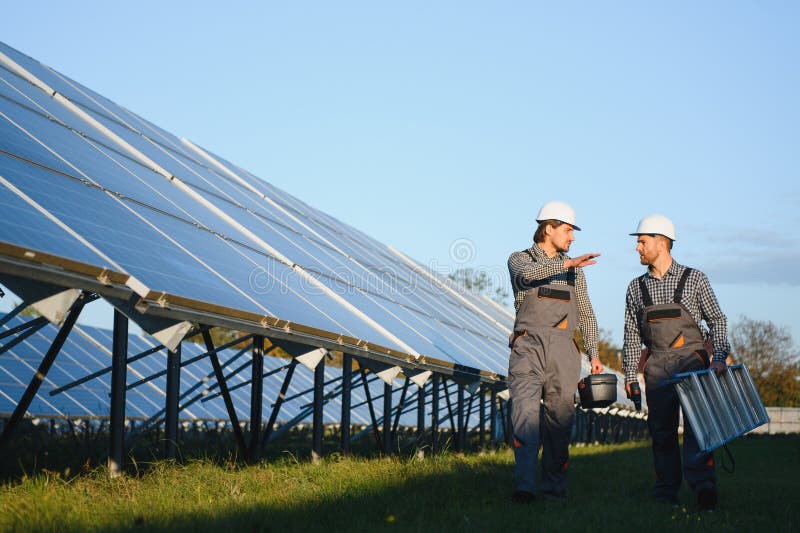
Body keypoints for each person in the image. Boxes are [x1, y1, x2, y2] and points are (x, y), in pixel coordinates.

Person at [623, 214, 730, 511]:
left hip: (693, 363)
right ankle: (666, 491)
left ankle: (704, 487)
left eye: (642, 242)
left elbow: (717, 320)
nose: (638, 248)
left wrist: (718, 357)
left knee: (698, 429)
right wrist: (630, 375)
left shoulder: (694, 278)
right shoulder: (635, 288)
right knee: (661, 432)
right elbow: (632, 336)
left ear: (662, 242)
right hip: (657, 367)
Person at [507, 200, 603, 504]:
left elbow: (585, 313)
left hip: (564, 349)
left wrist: (594, 353)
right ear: (548, 228)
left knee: (559, 419)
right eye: (567, 230)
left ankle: (553, 489)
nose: (572, 237)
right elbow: (527, 276)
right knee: (524, 413)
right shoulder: (519, 259)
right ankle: (525, 487)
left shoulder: (576, 272)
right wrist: (567, 264)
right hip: (528, 345)